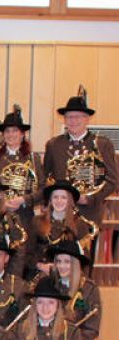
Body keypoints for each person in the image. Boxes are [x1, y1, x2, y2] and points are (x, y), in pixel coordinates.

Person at [42, 86, 118, 255]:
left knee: (83, 261)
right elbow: (46, 177)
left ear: (87, 119)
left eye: (78, 117)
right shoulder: (54, 145)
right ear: (64, 120)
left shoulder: (102, 144)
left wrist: (89, 198)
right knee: (57, 258)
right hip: (60, 214)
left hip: (88, 213)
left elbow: (113, 181)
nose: (73, 121)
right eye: (69, 117)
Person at [0, 106, 44, 232]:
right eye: (7, 131)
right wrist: (2, 202)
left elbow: (43, 189)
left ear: (22, 134)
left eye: (15, 131)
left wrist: (24, 200)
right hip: (0, 216)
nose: (11, 134)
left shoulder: (34, 159)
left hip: (25, 217)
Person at [45, 239, 100, 340]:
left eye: (67, 262)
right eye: (58, 261)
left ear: (75, 263)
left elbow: (92, 328)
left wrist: (70, 339)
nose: (61, 266)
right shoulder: (49, 284)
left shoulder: (89, 289)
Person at [32, 179, 97, 278]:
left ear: (70, 201)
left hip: (68, 277)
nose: (59, 201)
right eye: (55, 197)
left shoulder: (80, 225)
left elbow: (85, 261)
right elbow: (27, 254)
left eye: (63, 197)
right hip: (41, 274)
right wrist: (40, 266)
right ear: (50, 200)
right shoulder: (37, 222)